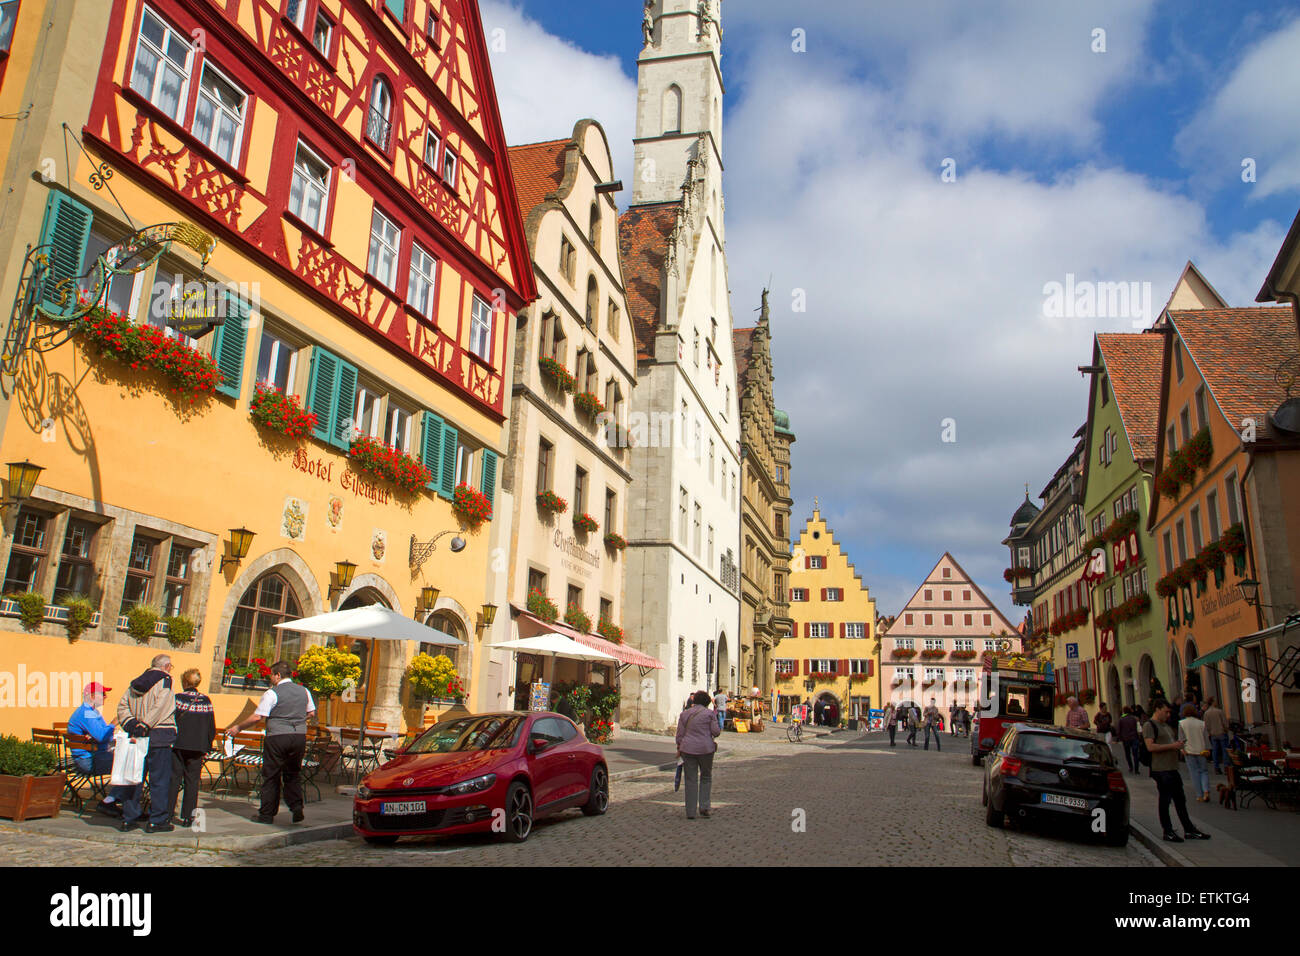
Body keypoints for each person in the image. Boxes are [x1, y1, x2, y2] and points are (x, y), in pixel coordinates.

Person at [226, 660, 316, 825]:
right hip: (298, 736)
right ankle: (296, 807)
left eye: (271, 676)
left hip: (277, 736)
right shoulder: (304, 691)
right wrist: (297, 719)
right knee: (293, 773)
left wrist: (238, 726)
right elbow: (311, 712)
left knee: (272, 774)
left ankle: (267, 814)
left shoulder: (272, 693)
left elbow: (258, 716)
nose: (271, 679)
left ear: (278, 675)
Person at [116, 654, 178, 833]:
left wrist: (132, 724)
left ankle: (129, 818)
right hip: (158, 735)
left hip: (137, 736)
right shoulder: (165, 681)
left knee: (135, 777)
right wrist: (146, 724)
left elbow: (122, 706)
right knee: (159, 780)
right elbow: (161, 705)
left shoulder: (135, 683)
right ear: (166, 666)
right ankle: (156, 819)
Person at [1143, 699, 1211, 843]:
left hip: (1172, 767)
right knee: (1165, 800)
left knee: (1180, 799)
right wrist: (1173, 746)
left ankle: (1189, 829)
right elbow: (1150, 747)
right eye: (1165, 711)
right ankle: (1167, 831)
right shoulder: (1150, 725)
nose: (1168, 715)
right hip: (1161, 768)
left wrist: (1178, 747)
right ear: (1157, 709)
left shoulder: (1166, 726)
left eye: (1169, 712)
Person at [67, 681, 127, 816]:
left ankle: (116, 798)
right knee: (127, 763)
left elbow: (102, 735)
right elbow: (102, 735)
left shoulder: (91, 712)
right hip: (89, 761)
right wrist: (113, 723)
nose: (105, 697)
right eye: (103, 694)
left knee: (125, 760)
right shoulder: (87, 713)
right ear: (92, 696)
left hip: (92, 756)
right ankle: (110, 801)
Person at [170, 669, 215, 828]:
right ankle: (189, 816)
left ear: (185, 682)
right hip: (197, 747)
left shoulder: (178, 699)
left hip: (179, 744)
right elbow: (211, 726)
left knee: (174, 779)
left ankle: (168, 812)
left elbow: (171, 721)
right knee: (192, 781)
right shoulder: (206, 701)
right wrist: (208, 744)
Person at [675, 690, 720, 819]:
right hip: (706, 749)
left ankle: (690, 812)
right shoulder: (710, 714)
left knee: (690, 780)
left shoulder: (684, 714)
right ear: (706, 702)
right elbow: (716, 732)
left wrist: (679, 746)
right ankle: (705, 807)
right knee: (705, 777)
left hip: (688, 749)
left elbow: (679, 735)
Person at [1179, 702, 1211, 803]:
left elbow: (1181, 739)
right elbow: (1206, 738)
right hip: (1201, 750)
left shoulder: (1182, 723)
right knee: (1204, 771)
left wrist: (1182, 749)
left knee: (1194, 773)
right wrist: (1208, 749)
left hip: (1189, 751)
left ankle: (1199, 795)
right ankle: (1206, 791)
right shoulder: (1201, 723)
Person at [1202, 698, 1229, 775]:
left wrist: (1209, 732)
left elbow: (1206, 725)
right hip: (1221, 732)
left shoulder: (1206, 713)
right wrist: (1226, 729)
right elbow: (1225, 723)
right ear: (1213, 702)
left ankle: (1216, 768)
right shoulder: (1219, 711)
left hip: (1213, 734)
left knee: (1215, 751)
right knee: (1224, 750)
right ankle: (1226, 767)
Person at [1117, 705, 1141, 774]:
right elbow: (1138, 728)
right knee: (1135, 754)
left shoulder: (1121, 719)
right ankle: (1136, 769)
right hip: (1134, 737)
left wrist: (1119, 738)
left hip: (1126, 739)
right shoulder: (1134, 718)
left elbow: (1118, 730)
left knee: (1127, 754)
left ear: (1124, 711)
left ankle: (1130, 767)